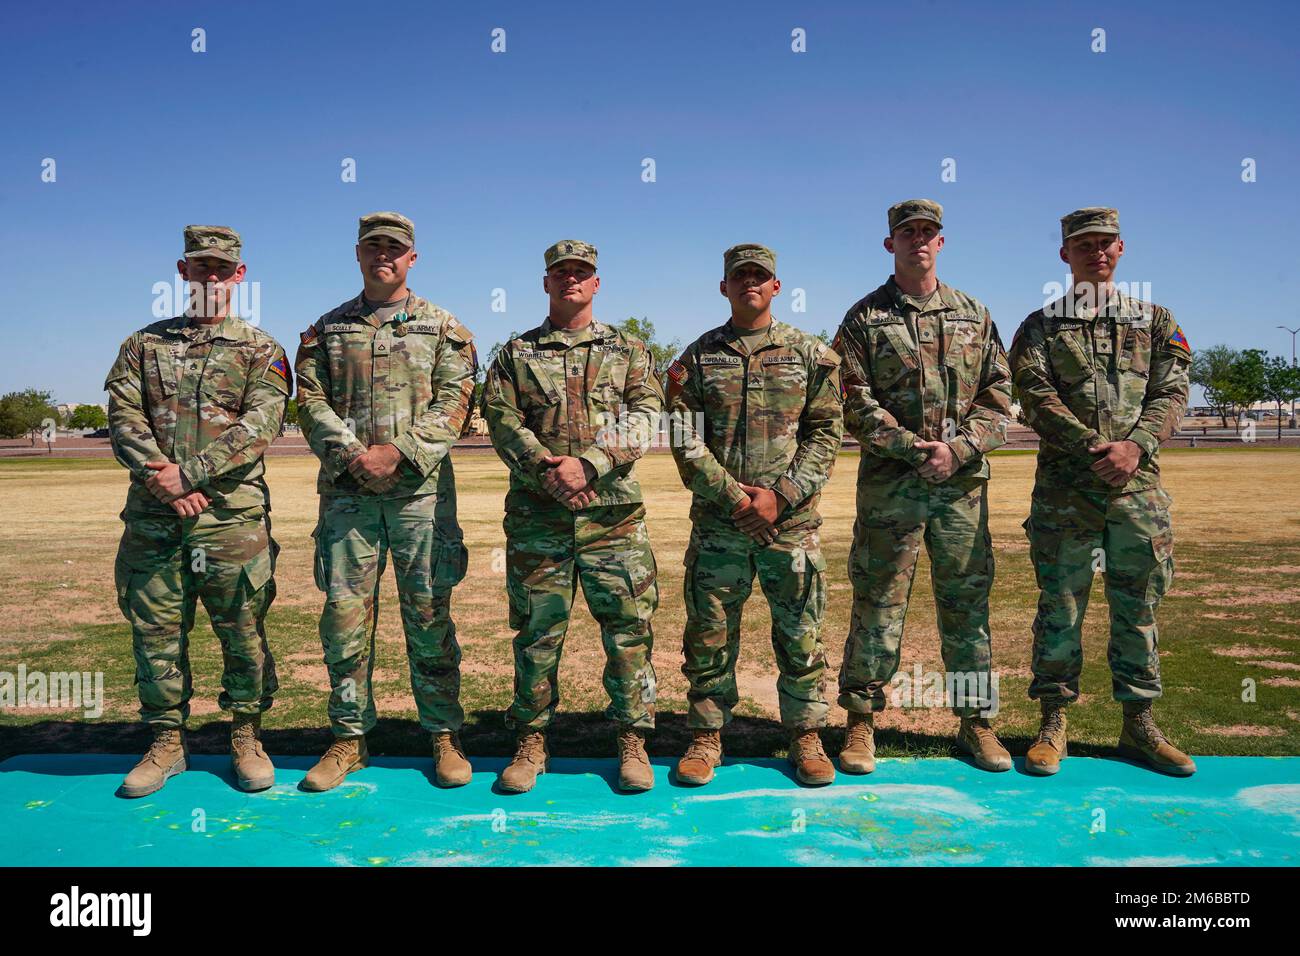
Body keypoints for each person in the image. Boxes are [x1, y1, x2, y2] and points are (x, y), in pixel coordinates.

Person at [1009, 207, 1195, 777]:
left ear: (1121, 249)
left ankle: (1139, 725)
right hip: (1067, 494)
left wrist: (1135, 445)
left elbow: (1174, 390)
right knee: (1060, 608)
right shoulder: (1040, 328)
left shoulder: (1157, 321)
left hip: (1137, 492)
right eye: (1083, 244)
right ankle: (1053, 723)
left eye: (1106, 243)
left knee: (1138, 608)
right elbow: (1035, 397)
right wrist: (1097, 447)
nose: (1096, 252)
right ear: (1065, 254)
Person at [295, 212, 477, 790]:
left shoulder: (444, 327)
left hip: (420, 496)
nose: (384, 256)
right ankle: (349, 739)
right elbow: (310, 400)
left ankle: (443, 735)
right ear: (357, 253)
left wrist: (397, 452)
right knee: (345, 621)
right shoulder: (325, 329)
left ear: (412, 257)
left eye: (395, 248)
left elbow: (456, 400)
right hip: (348, 500)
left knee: (428, 616)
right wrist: (354, 455)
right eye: (374, 247)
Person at [832, 199, 1014, 774]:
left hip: (960, 488)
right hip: (892, 488)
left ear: (942, 242)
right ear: (889, 243)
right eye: (906, 233)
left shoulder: (974, 313)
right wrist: (912, 449)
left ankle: (976, 723)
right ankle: (861, 723)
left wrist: (959, 450)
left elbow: (999, 395)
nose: (918, 241)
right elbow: (850, 400)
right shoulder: (864, 320)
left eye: (928, 233)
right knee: (878, 603)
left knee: (966, 605)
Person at [106, 225, 288, 797]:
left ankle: (246, 735)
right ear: (181, 272)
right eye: (199, 266)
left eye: (222, 267)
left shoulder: (262, 350)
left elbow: (261, 425)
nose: (210, 275)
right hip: (156, 517)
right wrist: (165, 480)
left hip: (229, 516)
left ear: (239, 275)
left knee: (242, 630)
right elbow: (123, 419)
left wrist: (191, 474)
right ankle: (165, 743)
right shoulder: (142, 345)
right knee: (156, 632)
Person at [482, 240, 663, 793]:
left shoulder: (628, 349)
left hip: (614, 520)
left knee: (630, 631)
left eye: (581, 272)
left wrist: (591, 463)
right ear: (546, 282)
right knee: (537, 632)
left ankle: (633, 738)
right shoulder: (517, 352)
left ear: (596, 282)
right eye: (560, 272)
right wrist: (547, 469)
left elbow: (649, 410)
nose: (571, 280)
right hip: (541, 517)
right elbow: (500, 417)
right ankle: (531, 740)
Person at [667, 243, 843, 786]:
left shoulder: (811, 354)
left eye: (759, 276)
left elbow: (827, 431)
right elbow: (682, 436)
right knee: (711, 634)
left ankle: (806, 735)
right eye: (739, 276)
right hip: (722, 526)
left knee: (800, 634)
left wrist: (781, 494)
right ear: (724, 287)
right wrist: (736, 499)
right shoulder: (696, 358)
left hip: (791, 525)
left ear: (776, 286)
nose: (750, 283)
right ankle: (705, 735)